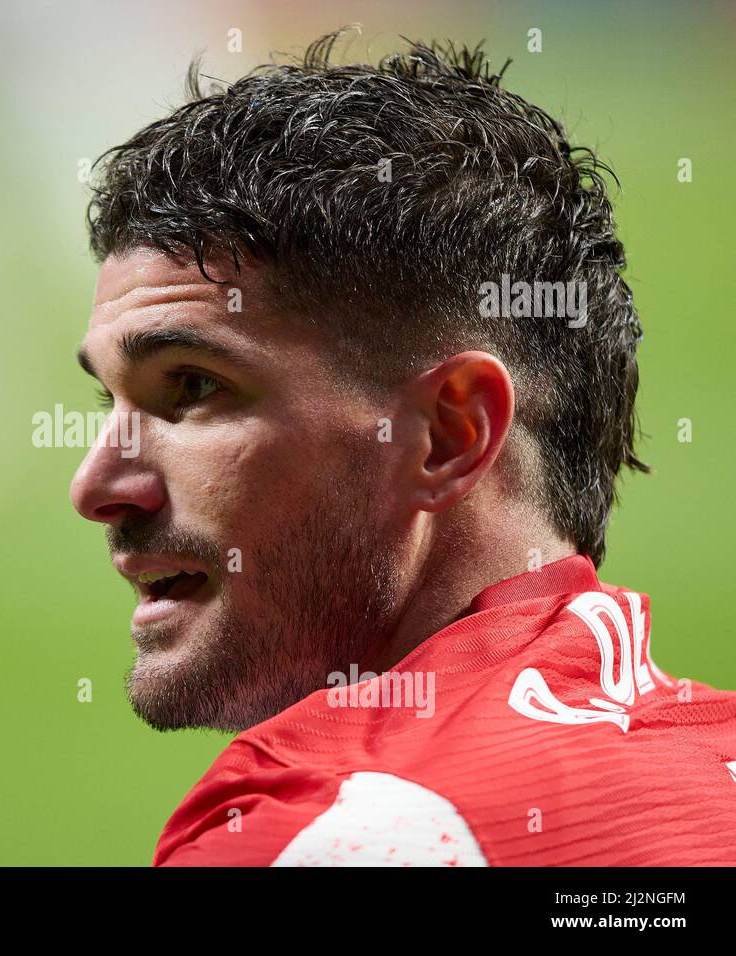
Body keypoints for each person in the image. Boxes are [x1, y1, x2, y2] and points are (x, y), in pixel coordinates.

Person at [69, 31, 736, 865]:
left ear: (449, 435)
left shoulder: (333, 831)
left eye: (195, 387)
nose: (95, 485)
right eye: (109, 398)